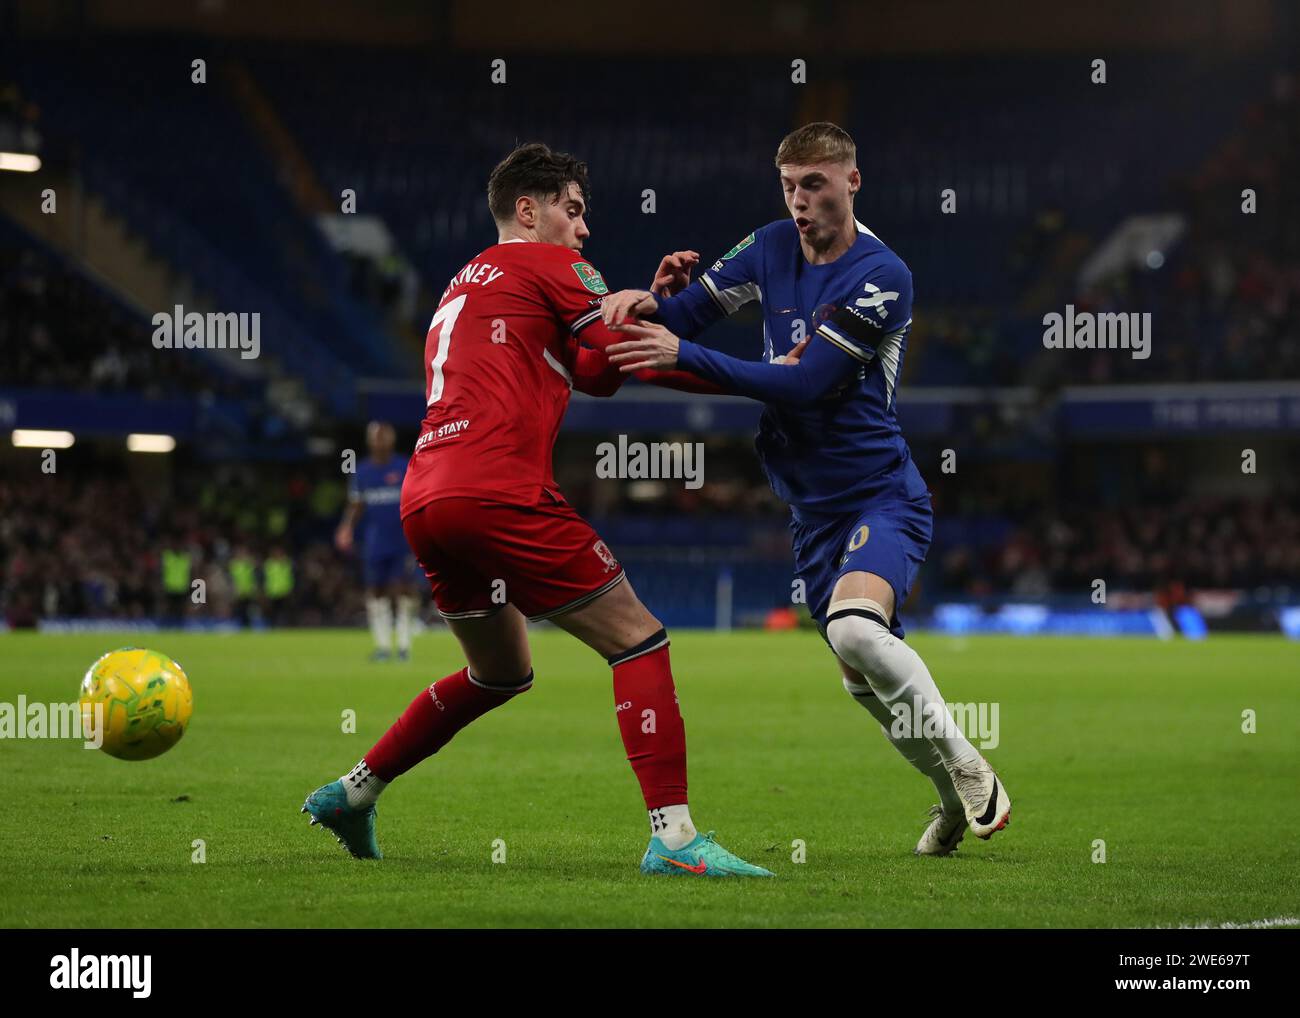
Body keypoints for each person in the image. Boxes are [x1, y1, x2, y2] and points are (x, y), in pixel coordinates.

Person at [303, 142, 770, 877]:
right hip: (497, 489)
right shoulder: (550, 266)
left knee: (500, 673)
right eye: (574, 210)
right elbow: (633, 349)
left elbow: (598, 370)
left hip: (427, 497)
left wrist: (654, 304)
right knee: (639, 639)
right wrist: (769, 380)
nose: (584, 231)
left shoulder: (463, 286)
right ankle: (675, 840)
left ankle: (353, 794)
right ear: (529, 209)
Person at [601, 122, 1012, 855]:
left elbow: (808, 382)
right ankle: (948, 802)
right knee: (863, 680)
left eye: (814, 185)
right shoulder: (768, 246)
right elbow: (687, 314)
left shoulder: (883, 275)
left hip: (879, 491)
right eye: (789, 186)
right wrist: (655, 298)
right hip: (811, 510)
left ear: (853, 181)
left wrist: (685, 353)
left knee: (856, 629)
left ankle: (968, 761)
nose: (798, 201)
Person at [335, 421, 422, 661]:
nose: (379, 441)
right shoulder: (361, 472)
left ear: (391, 440)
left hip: (403, 539)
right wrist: (346, 528)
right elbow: (356, 504)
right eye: (375, 437)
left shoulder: (405, 467)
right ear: (369, 441)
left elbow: (417, 499)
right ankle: (383, 646)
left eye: (384, 436)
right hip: (376, 542)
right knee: (375, 592)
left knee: (404, 589)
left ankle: (404, 645)